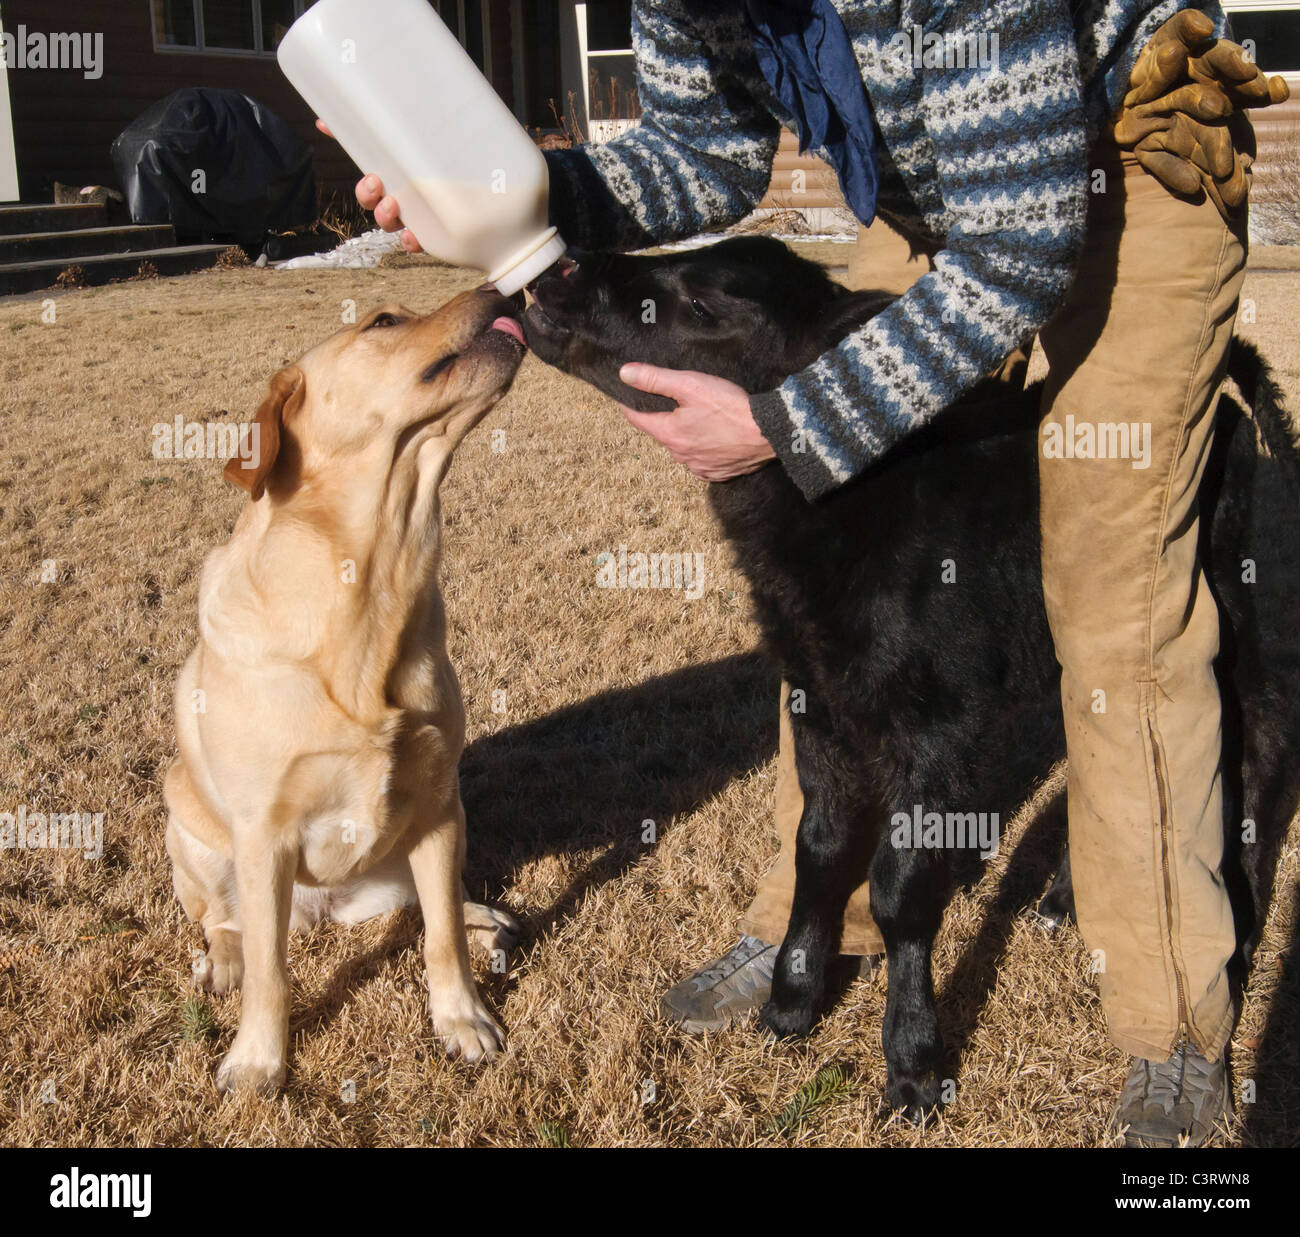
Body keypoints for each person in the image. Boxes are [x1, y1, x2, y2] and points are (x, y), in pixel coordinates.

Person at [340, 2, 1289, 1146]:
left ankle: (1171, 1022)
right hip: (934, 189)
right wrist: (508, 200)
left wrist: (793, 422)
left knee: (1112, 587)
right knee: (832, 591)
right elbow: (703, 154)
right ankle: (813, 917)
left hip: (1125, 164)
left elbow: (1023, 244)